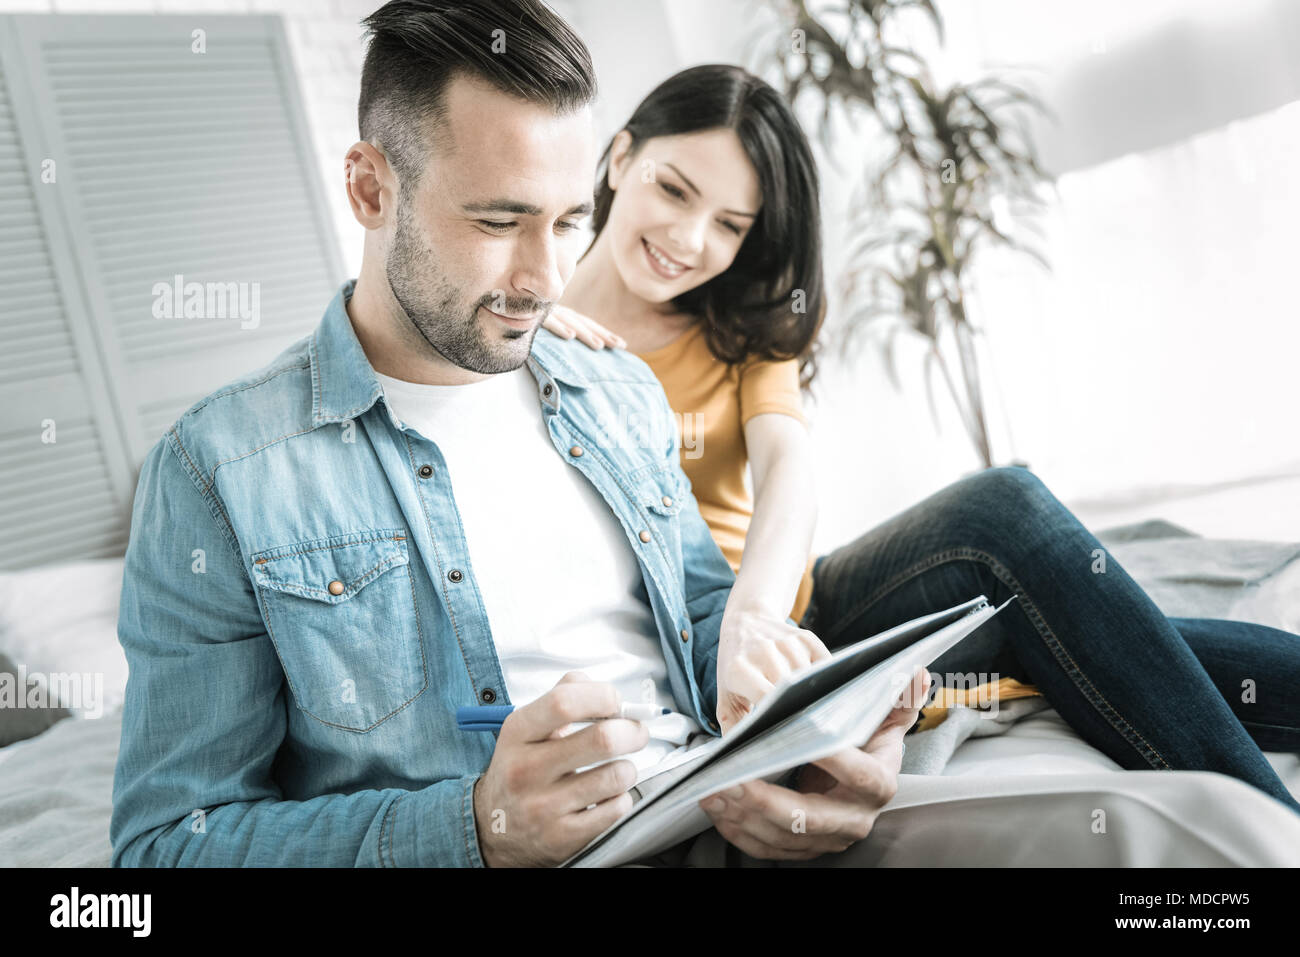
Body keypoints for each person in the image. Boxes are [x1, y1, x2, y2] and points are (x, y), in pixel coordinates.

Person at [109, 0, 930, 869]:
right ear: (370, 189)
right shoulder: (218, 473)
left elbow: (701, 617)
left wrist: (818, 718)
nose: (546, 280)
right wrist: (479, 825)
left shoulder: (614, 389)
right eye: (500, 223)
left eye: (570, 221)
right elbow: (167, 845)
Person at [548, 63, 1300, 817]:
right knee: (1087, 629)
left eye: (729, 226)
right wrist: (531, 331)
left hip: (793, 612)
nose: (688, 238)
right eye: (673, 189)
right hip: (702, 652)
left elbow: (788, 470)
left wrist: (757, 618)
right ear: (619, 158)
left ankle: (1276, 840)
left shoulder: (740, 328)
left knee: (1022, 533)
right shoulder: (523, 330)